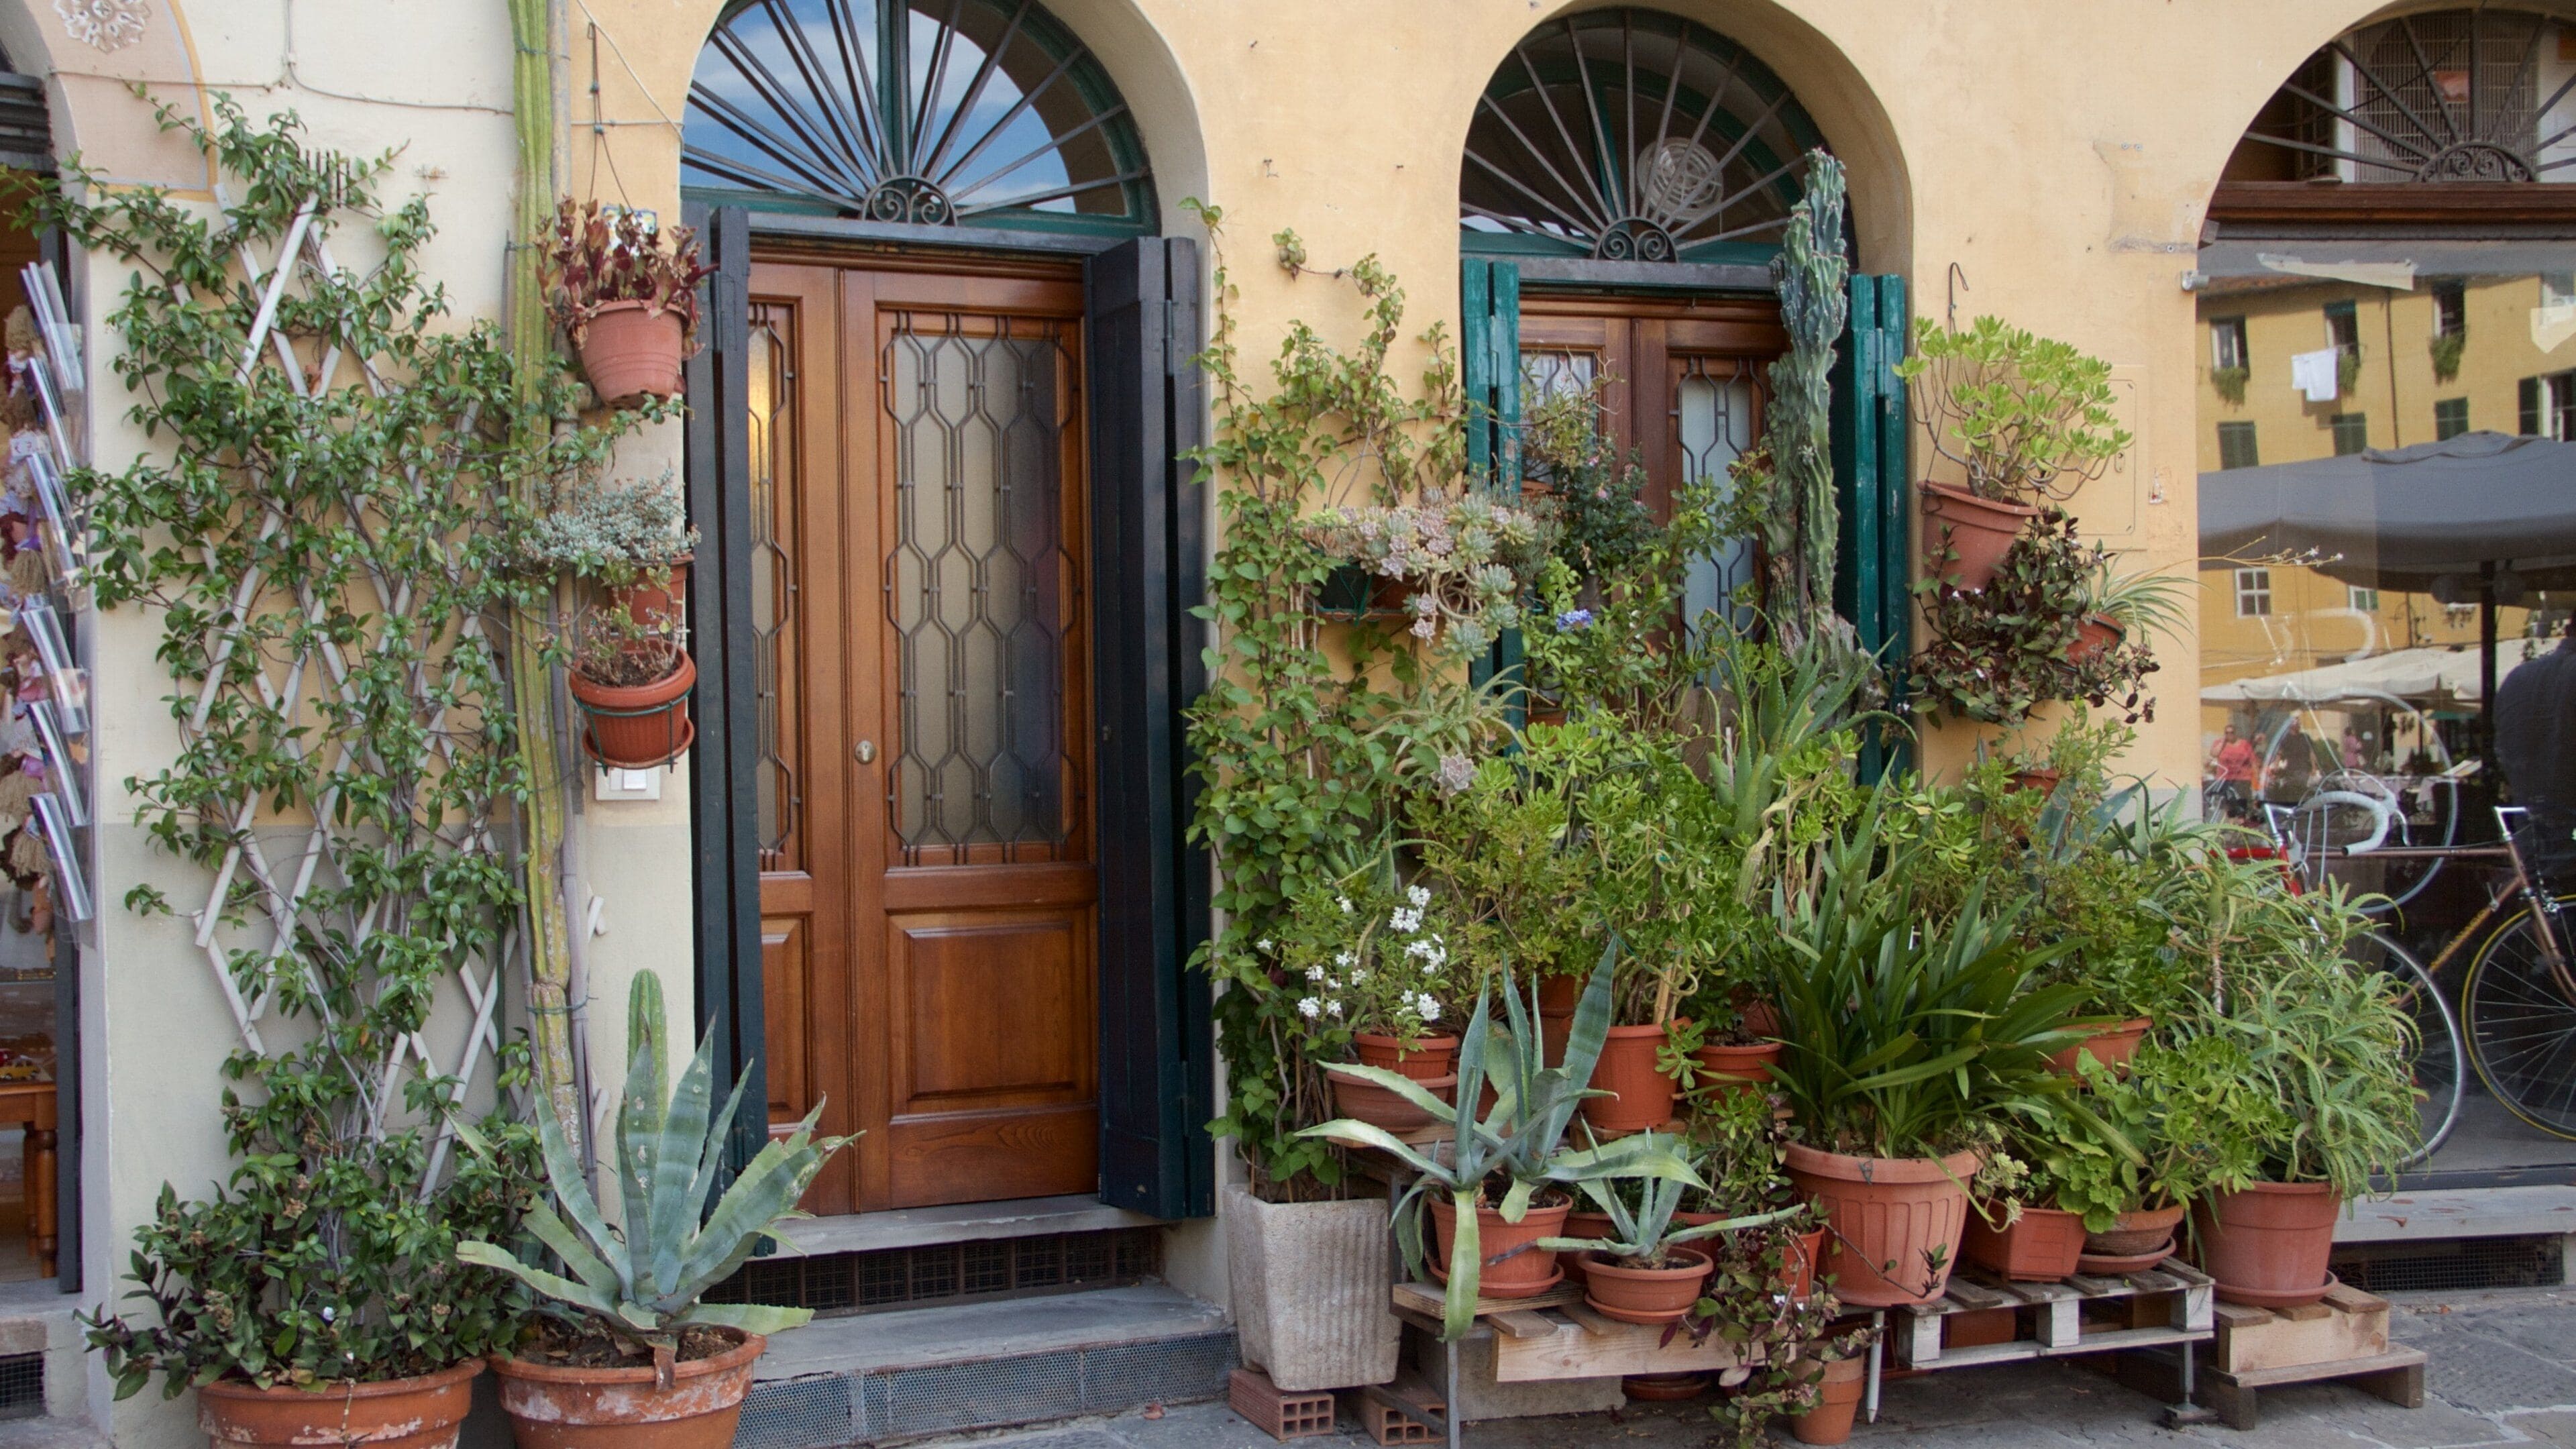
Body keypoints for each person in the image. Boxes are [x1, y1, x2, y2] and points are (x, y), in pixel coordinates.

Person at [2493, 621, 2576, 879]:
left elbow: (2502, 748)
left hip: (2530, 819)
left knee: (2539, 906)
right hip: (2567, 818)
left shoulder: (2520, 677)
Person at [2208, 723, 2259, 820]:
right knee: (2229, 804)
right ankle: (2231, 826)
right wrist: (2223, 742)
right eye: (2227, 733)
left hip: (2243, 779)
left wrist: (2257, 778)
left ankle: (2241, 826)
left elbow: (2253, 761)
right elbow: (2214, 754)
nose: (2229, 735)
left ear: (2236, 733)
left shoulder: (2244, 744)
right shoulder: (2220, 743)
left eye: (2232, 733)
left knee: (2242, 804)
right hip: (2226, 778)